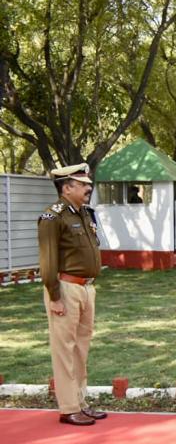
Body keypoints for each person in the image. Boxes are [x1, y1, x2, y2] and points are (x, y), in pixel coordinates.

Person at [38, 164, 104, 426]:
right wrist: (54, 296)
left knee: (81, 348)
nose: (88, 188)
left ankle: (80, 402)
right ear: (67, 188)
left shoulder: (85, 214)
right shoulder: (53, 217)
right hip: (65, 288)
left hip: (86, 288)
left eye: (87, 183)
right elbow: (48, 260)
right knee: (64, 349)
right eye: (82, 184)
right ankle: (68, 407)